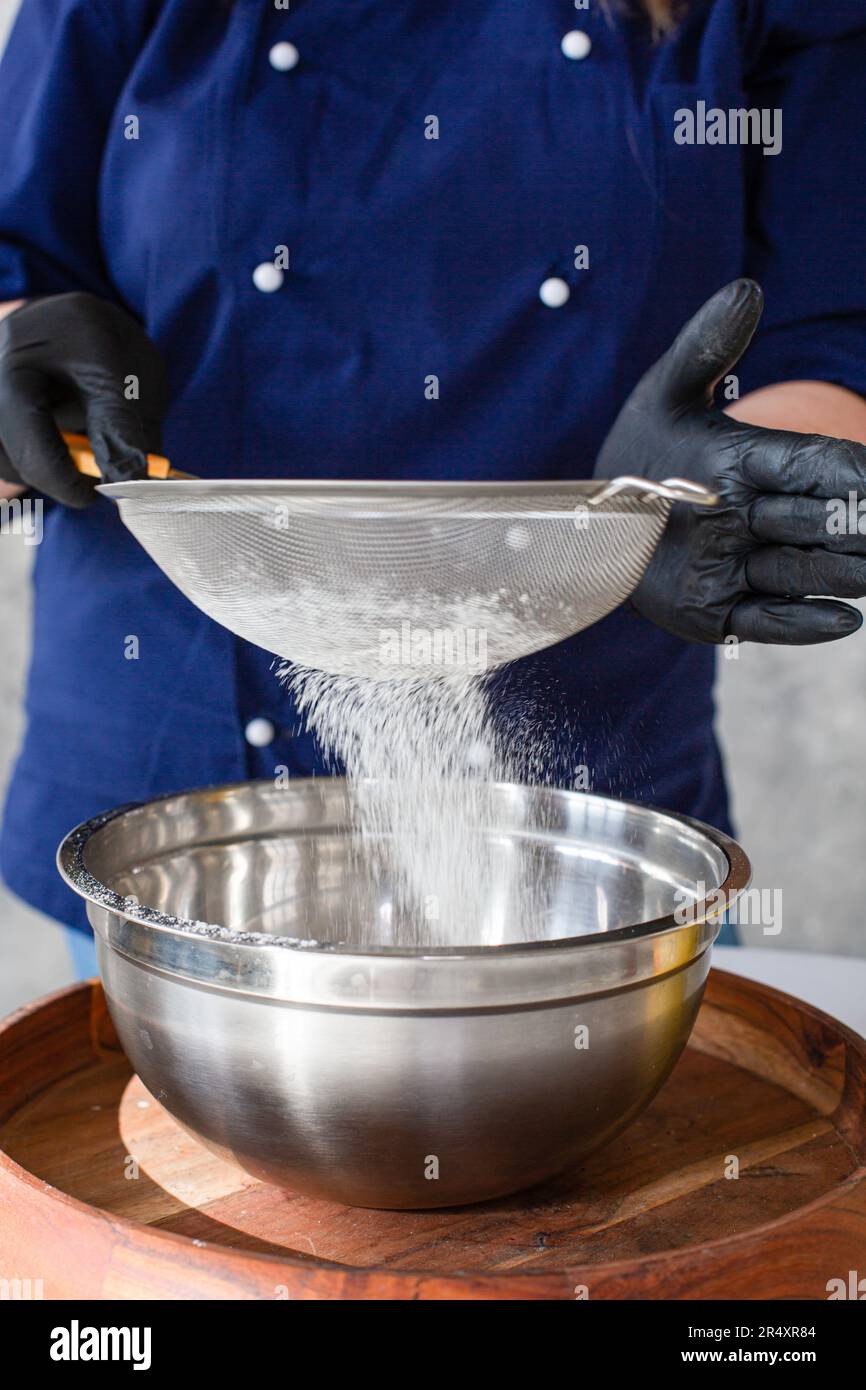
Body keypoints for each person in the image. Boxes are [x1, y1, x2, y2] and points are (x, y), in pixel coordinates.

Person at [0, 0, 865, 968]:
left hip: (594, 817)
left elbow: (827, 328)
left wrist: (723, 484)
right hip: (182, 798)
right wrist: (16, 366)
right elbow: (13, 261)